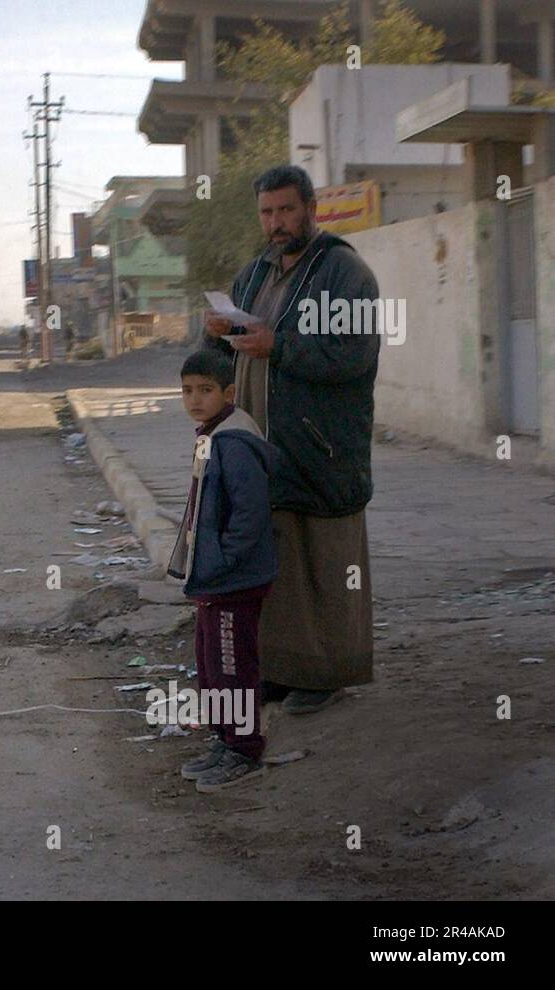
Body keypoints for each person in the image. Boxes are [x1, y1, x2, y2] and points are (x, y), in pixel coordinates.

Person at [204, 163, 380, 715]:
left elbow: (352, 355)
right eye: (267, 212)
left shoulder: (344, 273)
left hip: (321, 442)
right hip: (263, 438)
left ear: (311, 210)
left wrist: (276, 346)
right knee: (276, 556)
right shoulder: (255, 273)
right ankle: (283, 670)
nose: (276, 222)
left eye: (285, 210)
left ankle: (329, 672)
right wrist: (218, 335)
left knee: (324, 558)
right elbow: (231, 348)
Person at [167, 350, 277, 792]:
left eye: (206, 390)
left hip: (235, 581)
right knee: (210, 664)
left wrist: (225, 560)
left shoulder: (234, 444)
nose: (195, 399)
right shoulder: (211, 434)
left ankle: (245, 750)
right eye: (187, 390)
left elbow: (250, 515)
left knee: (233, 666)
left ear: (228, 394)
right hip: (213, 581)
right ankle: (224, 739)